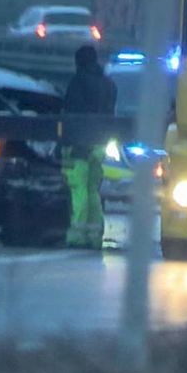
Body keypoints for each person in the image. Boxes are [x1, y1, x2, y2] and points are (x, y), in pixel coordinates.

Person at [61, 44, 117, 249]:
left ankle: (76, 234)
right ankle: (94, 234)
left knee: (78, 189)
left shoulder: (78, 82)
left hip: (80, 144)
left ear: (79, 62)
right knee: (93, 190)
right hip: (100, 144)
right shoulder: (109, 84)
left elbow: (70, 115)